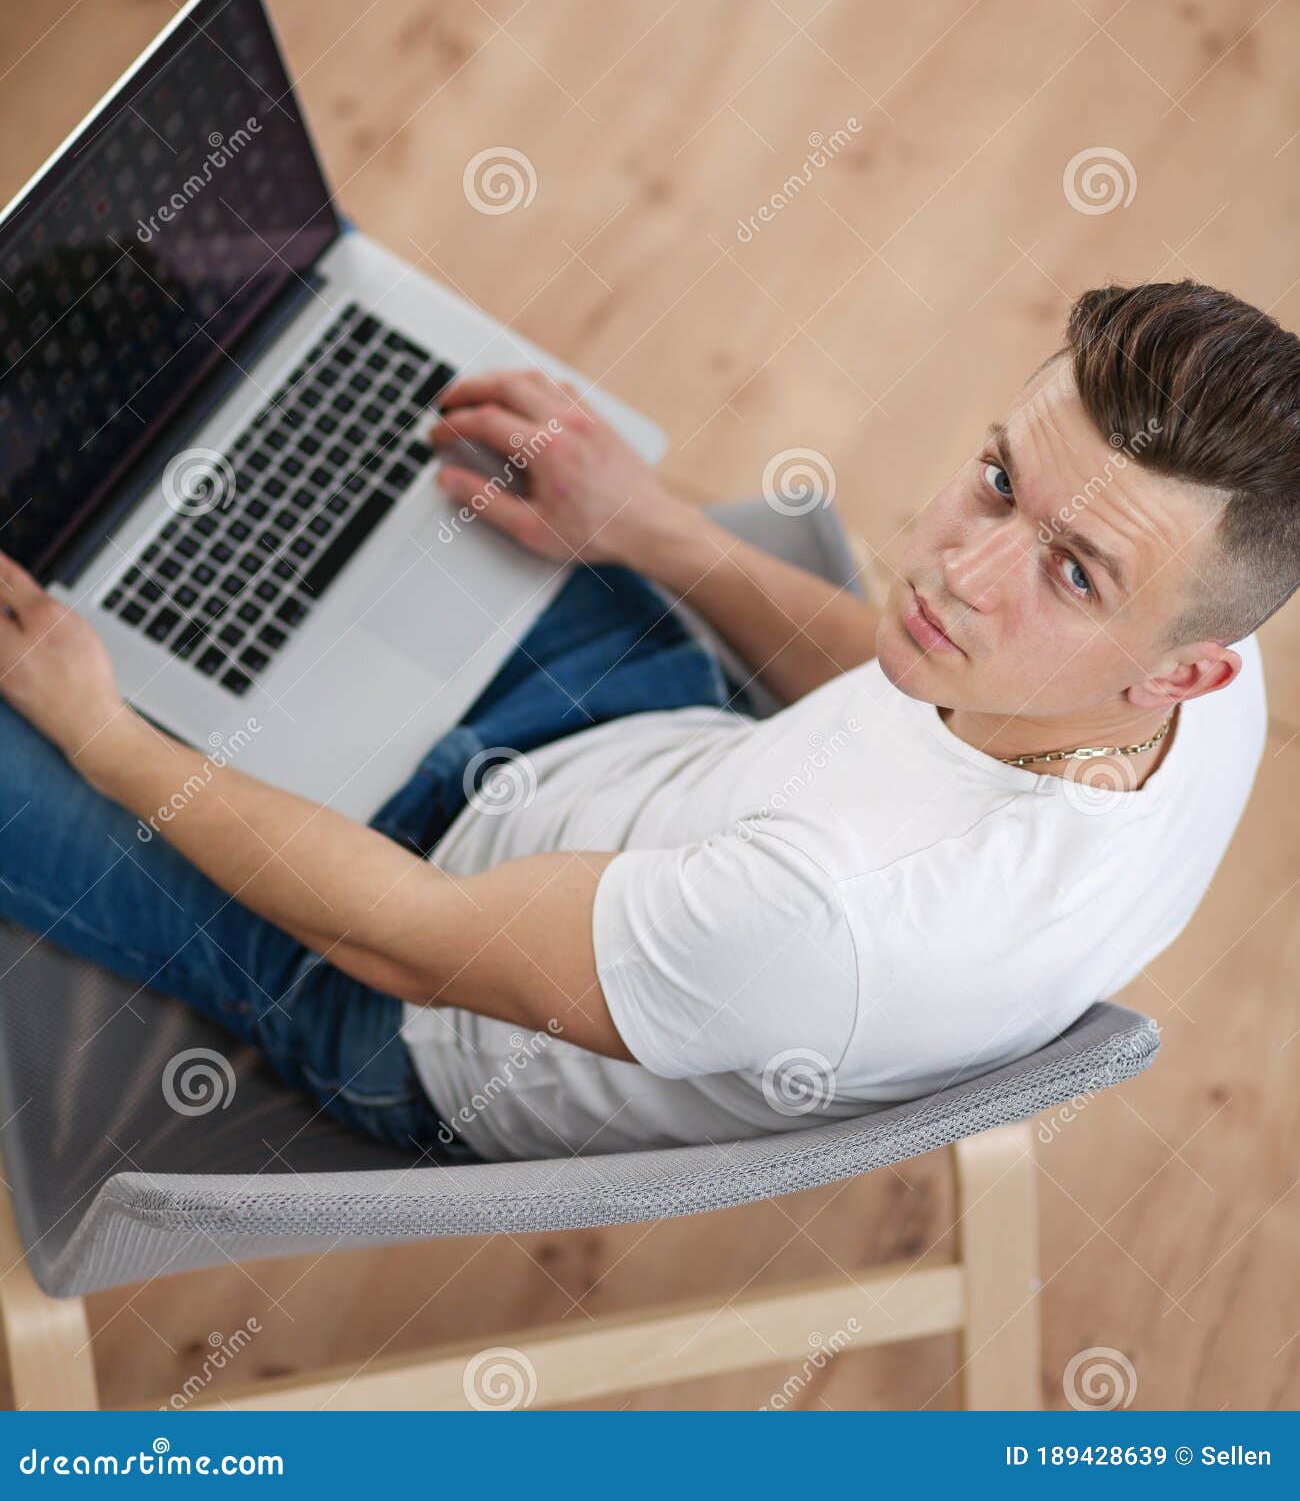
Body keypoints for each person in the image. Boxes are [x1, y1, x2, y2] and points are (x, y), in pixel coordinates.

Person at [0, 280, 1289, 1162]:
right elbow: (914, 686)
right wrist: (649, 526)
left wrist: (108, 736)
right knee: (211, 352)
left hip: (414, 995)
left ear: (1183, 676)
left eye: (1071, 574)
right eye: (1000, 480)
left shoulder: (831, 927)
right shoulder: (1189, 654)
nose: (962, 572)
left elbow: (407, 939)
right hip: (640, 741)